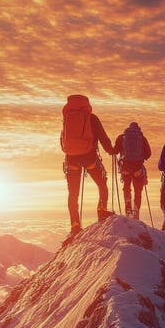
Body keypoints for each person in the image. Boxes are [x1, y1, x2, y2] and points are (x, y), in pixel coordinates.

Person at [60, 94, 115, 236]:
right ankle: (102, 210)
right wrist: (111, 150)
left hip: (71, 160)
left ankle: (75, 224)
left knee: (73, 194)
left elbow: (62, 142)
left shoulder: (67, 119)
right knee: (102, 183)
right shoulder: (91, 118)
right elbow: (103, 137)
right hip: (89, 157)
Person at [113, 122, 151, 219]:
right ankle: (136, 212)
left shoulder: (122, 137)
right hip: (138, 168)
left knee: (126, 187)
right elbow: (148, 154)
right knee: (138, 191)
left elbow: (115, 151)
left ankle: (128, 208)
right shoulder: (142, 138)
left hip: (125, 168)